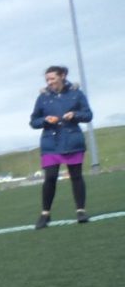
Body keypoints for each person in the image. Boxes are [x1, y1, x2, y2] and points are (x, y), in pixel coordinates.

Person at [30, 65, 93, 228]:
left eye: (52, 79)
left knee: (76, 177)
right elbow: (33, 121)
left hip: (73, 141)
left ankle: (81, 211)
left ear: (63, 76)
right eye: (47, 80)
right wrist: (45, 120)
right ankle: (45, 214)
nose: (49, 83)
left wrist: (75, 115)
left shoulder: (76, 94)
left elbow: (88, 115)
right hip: (51, 144)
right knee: (50, 178)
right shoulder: (42, 98)